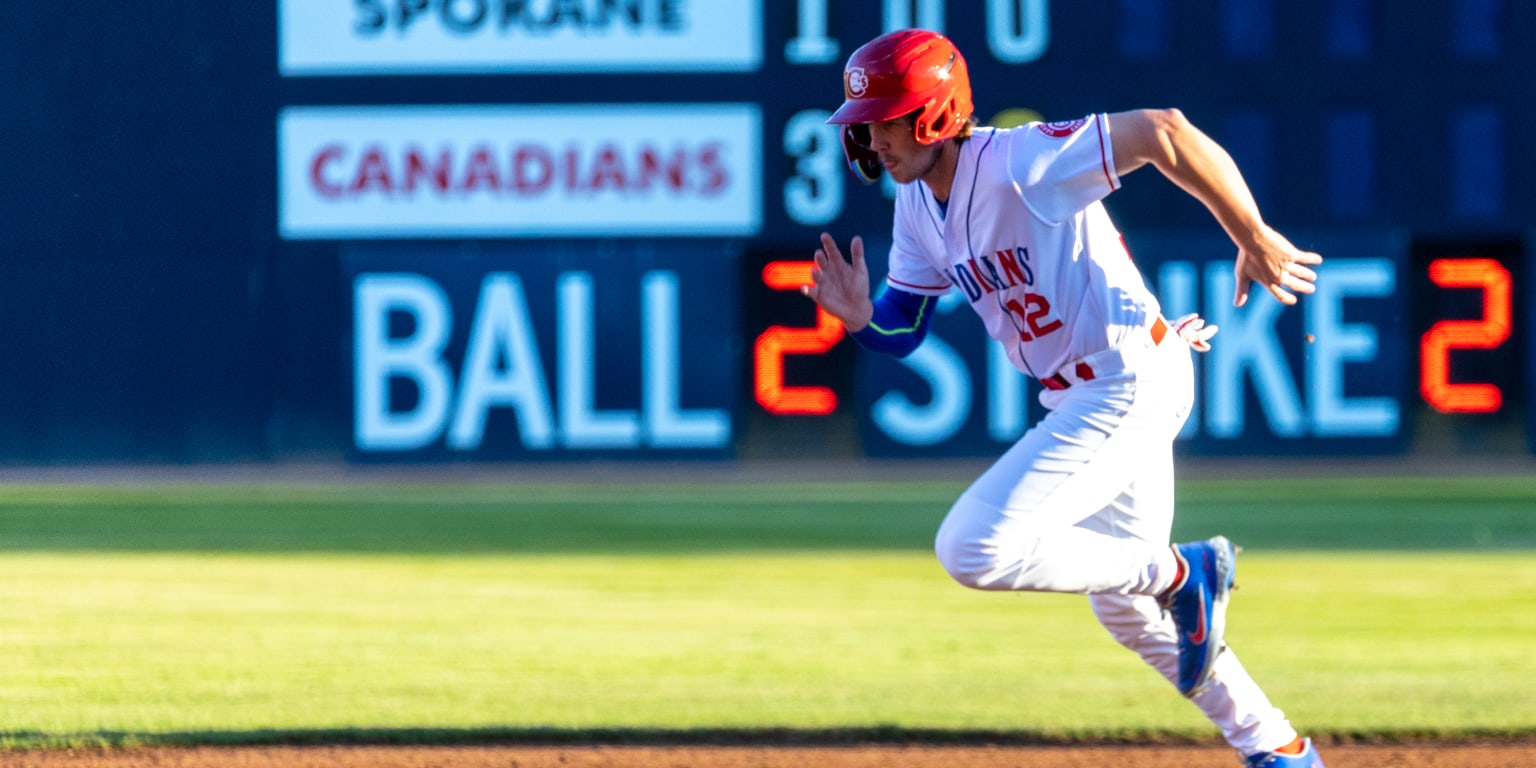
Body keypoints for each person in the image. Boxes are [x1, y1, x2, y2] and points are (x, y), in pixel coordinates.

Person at [802, 29, 1327, 768]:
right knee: (1124, 607)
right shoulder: (917, 204)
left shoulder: (1018, 162)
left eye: (886, 119)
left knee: (972, 547)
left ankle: (1181, 572)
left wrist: (1252, 233)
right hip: (1093, 390)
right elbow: (904, 326)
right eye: (865, 123)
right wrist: (862, 319)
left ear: (934, 114)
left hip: (1126, 381)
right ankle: (1278, 748)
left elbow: (1165, 130)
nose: (872, 138)